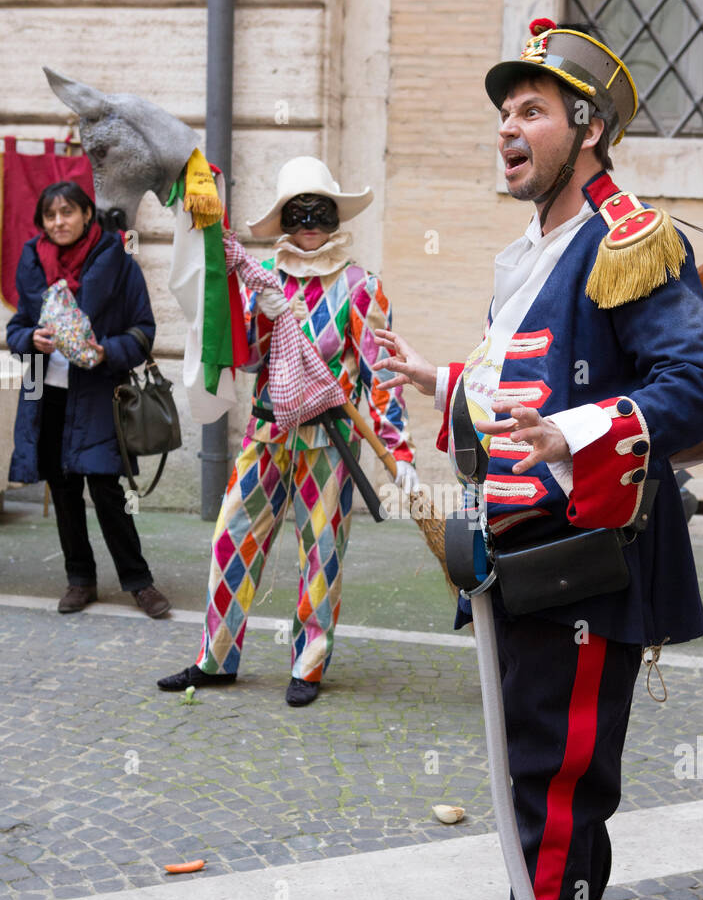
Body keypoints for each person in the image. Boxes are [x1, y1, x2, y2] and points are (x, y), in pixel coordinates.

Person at [373, 20, 703, 900]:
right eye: (504, 109)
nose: (505, 128)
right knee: (560, 781)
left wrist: (572, 427)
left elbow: (691, 387)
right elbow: (516, 389)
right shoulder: (534, 248)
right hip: (533, 554)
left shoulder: (627, 235)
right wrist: (443, 379)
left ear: (588, 128)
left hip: (591, 563)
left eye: (530, 110)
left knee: (551, 791)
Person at [157, 156, 418, 707]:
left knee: (322, 554)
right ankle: (216, 657)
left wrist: (400, 452)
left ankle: (309, 664)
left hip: (329, 446)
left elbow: (383, 376)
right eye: (297, 214)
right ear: (283, 222)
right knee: (231, 537)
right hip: (266, 434)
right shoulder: (264, 280)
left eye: (319, 211)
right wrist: (244, 298)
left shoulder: (361, 287)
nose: (309, 223)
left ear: (334, 215)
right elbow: (246, 356)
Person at [6, 181, 171, 618]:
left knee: (106, 490)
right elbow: (16, 328)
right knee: (62, 492)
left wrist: (106, 352)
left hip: (99, 396)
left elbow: (144, 330)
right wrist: (30, 338)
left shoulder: (117, 259)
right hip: (46, 395)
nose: (59, 222)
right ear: (43, 222)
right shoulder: (32, 261)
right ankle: (80, 579)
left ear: (85, 214)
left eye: (67, 213)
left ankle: (139, 582)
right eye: (50, 216)